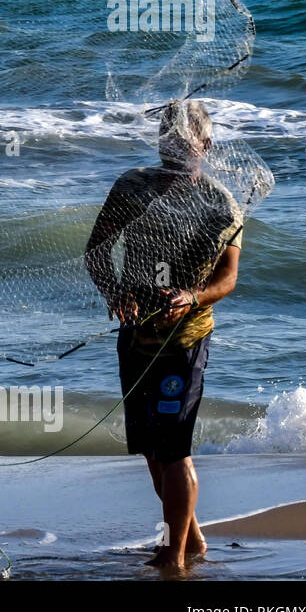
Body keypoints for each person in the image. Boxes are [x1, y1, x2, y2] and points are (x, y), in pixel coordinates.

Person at [84, 100, 244, 575]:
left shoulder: (222, 203)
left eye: (184, 145)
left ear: (206, 146)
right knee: (152, 451)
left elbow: (228, 278)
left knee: (173, 449)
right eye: (166, 143)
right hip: (135, 339)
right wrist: (115, 291)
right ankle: (192, 538)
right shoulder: (132, 186)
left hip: (184, 345)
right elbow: (97, 250)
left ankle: (174, 555)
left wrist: (193, 297)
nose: (173, 152)